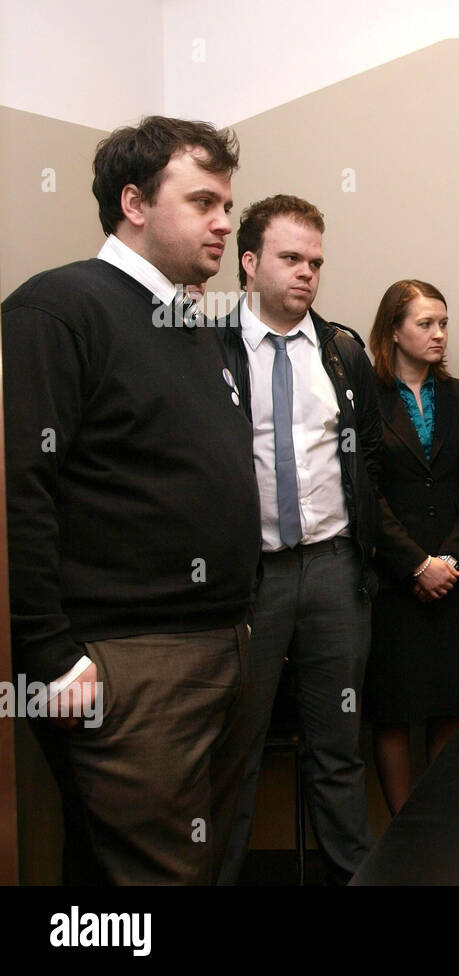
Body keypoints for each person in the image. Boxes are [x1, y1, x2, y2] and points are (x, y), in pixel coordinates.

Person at [2, 116, 260, 883]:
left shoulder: (192, 323)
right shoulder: (59, 307)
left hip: (222, 641)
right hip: (131, 659)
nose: (223, 223)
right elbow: (22, 487)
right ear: (134, 203)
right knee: (160, 879)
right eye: (204, 202)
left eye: (227, 205)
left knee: (147, 875)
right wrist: (47, 652)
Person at [217, 194, 389, 884]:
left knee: (337, 745)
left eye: (315, 261)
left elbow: (368, 450)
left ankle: (352, 876)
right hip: (247, 580)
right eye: (290, 258)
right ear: (250, 262)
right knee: (236, 749)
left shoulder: (342, 350)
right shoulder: (208, 348)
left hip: (334, 572)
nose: (306, 273)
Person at [363, 280, 459, 813]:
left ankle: (439, 826)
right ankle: (402, 832)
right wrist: (415, 564)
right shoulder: (366, 396)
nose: (439, 334)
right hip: (393, 581)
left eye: (443, 323)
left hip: (453, 581)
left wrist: (450, 561)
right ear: (394, 330)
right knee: (393, 712)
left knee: (448, 707)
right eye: (425, 324)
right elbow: (364, 489)